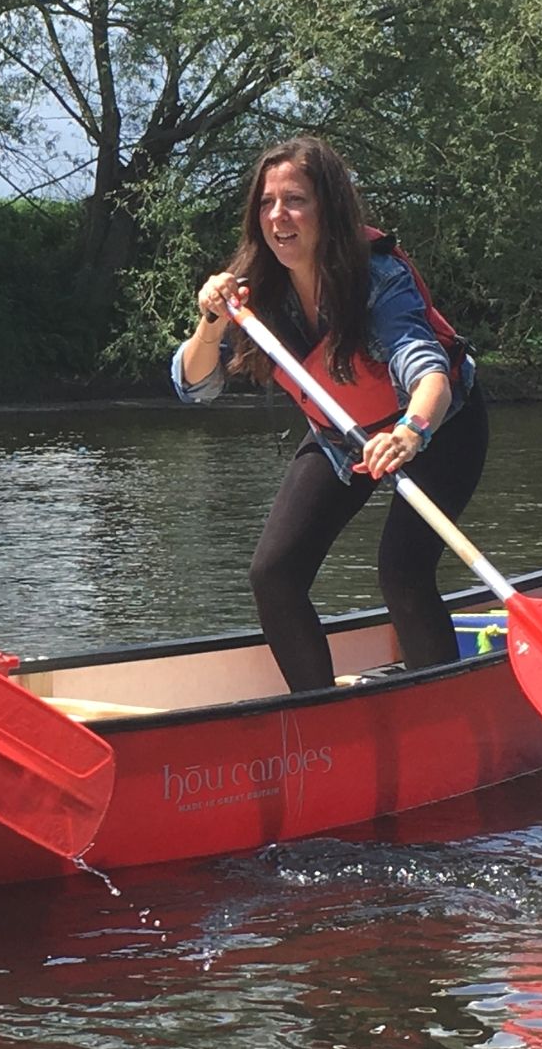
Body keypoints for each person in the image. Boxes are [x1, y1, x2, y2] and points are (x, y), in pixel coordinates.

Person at [171, 136, 488, 694]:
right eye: (267, 203)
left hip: (441, 427)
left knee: (403, 572)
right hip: (343, 437)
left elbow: (426, 368)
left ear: (328, 210)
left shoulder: (377, 277)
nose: (278, 217)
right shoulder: (254, 291)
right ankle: (317, 713)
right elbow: (193, 387)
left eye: (295, 201)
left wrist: (411, 431)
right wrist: (212, 321)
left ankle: (444, 705)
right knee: (274, 574)